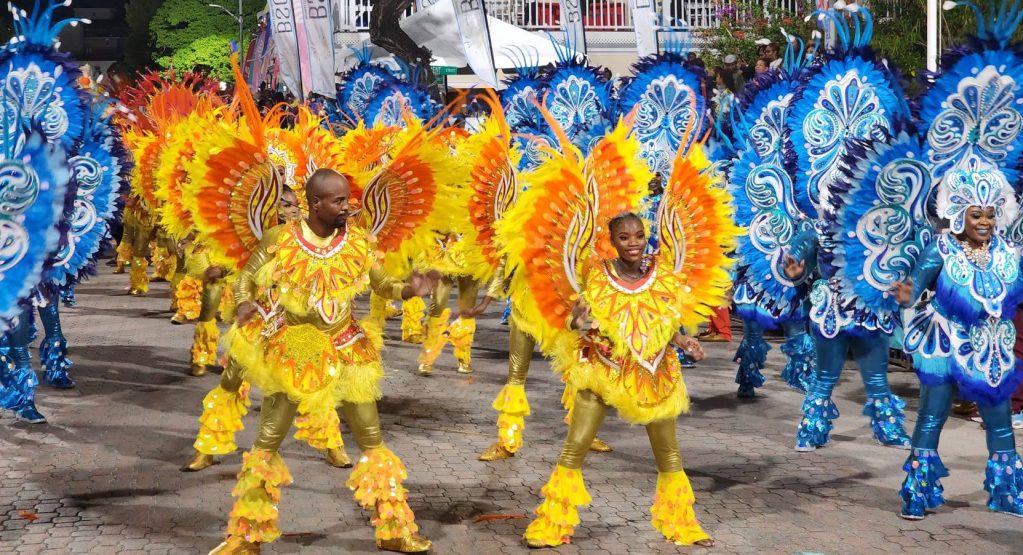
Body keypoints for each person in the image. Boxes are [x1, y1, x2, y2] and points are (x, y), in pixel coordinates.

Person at [209, 170, 436, 554]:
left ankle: (394, 530)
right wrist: (246, 303)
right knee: (267, 441)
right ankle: (245, 538)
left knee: (372, 439)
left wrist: (408, 289)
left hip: (348, 348)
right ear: (315, 204)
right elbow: (246, 278)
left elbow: (382, 285)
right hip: (293, 351)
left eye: (348, 199)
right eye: (338, 201)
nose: (348, 206)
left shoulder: (360, 241)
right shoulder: (281, 238)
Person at [523, 213, 715, 548]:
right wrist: (577, 322)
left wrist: (685, 342)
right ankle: (552, 524)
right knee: (576, 445)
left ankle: (683, 524)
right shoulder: (598, 274)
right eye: (624, 238)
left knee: (668, 453)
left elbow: (666, 322)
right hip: (602, 367)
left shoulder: (662, 274)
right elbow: (574, 320)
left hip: (653, 371)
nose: (634, 244)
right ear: (612, 241)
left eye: (639, 236)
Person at [892, 164, 1023, 519]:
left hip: (991, 346)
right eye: (976, 214)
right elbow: (912, 291)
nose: (985, 222)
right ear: (958, 215)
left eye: (991, 215)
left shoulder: (1009, 252)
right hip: (944, 343)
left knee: (998, 420)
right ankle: (917, 492)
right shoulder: (941, 249)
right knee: (932, 417)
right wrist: (905, 294)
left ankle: (1007, 492)